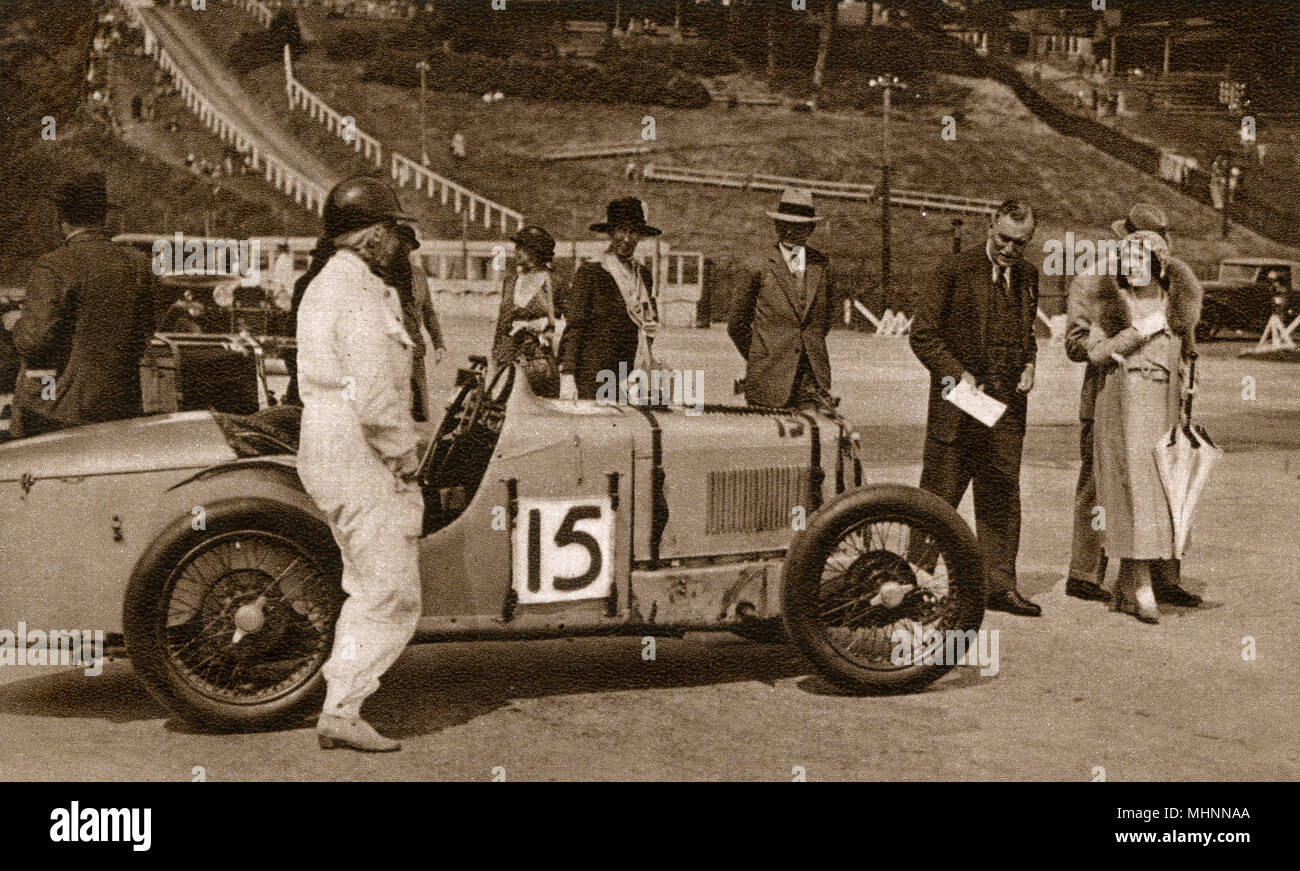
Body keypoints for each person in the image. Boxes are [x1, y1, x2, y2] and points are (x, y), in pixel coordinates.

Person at [295, 176, 425, 752]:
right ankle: (342, 710)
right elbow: (372, 393)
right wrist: (405, 456)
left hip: (332, 441)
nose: (398, 244)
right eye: (393, 232)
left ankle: (340, 705)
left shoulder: (332, 283)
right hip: (358, 448)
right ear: (373, 237)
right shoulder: (355, 292)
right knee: (392, 592)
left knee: (367, 584)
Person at [909, 199, 1042, 616]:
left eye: (1020, 243)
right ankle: (912, 585)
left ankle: (998, 586)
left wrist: (1030, 364)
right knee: (938, 499)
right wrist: (957, 375)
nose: (1010, 249)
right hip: (959, 406)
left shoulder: (1028, 276)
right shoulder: (954, 270)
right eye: (1004, 239)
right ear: (990, 225)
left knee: (1001, 496)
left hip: (1006, 411)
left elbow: (1027, 334)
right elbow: (923, 335)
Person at [1065, 205, 1202, 607]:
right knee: (1102, 484)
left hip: (1161, 397)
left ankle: (1163, 576)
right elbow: (1076, 345)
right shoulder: (1094, 279)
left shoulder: (1170, 282)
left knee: (1164, 479)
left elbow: (1186, 343)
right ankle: (1086, 573)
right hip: (1108, 395)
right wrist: (1126, 339)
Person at [9, 172, 154, 439]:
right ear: (103, 216)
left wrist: (14, 324)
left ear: (60, 218)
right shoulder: (138, 263)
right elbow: (145, 329)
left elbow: (33, 342)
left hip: (58, 409)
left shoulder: (54, 265)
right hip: (121, 403)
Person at [728, 187, 834, 410]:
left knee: (814, 431)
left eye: (799, 226)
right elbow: (737, 325)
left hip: (811, 381)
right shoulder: (757, 265)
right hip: (768, 381)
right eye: (785, 224)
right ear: (776, 225)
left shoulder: (822, 266)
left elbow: (824, 322)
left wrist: (805, 352)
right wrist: (763, 356)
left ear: (811, 228)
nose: (791, 231)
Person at [558, 197, 660, 401]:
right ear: (611, 232)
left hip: (629, 375)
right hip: (592, 375)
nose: (627, 238)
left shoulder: (643, 275)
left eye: (633, 232)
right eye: (621, 230)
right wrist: (568, 374)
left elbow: (648, 322)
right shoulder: (591, 272)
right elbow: (575, 326)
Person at [491, 225, 561, 397]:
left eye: (521, 247)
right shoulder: (510, 281)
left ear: (537, 251)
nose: (516, 251)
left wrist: (542, 324)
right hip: (507, 359)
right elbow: (502, 323)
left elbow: (571, 323)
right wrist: (495, 356)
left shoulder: (554, 283)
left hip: (539, 363)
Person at [389, 224, 445, 421]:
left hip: (415, 345)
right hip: (392, 346)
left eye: (408, 247)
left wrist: (438, 342)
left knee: (418, 407)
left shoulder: (419, 275)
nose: (405, 251)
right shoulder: (382, 275)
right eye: (401, 246)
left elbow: (428, 311)